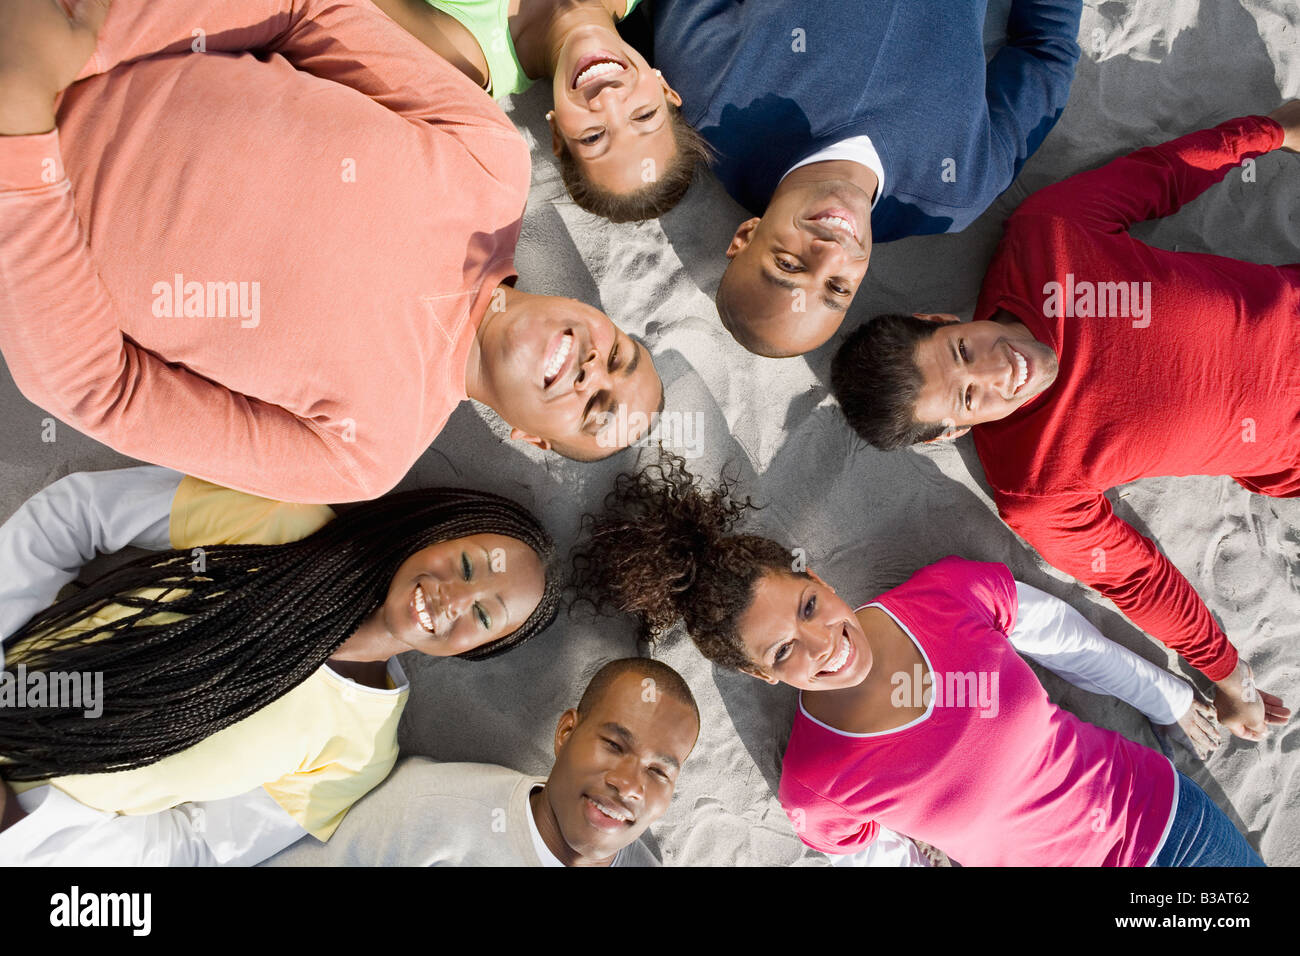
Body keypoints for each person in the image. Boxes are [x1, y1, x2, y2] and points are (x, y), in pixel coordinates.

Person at [0, 0, 663, 507]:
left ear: (530, 438)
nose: (591, 370)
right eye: (619, 356)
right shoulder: (492, 165)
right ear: (594, 312)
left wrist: (22, 144)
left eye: (594, 406)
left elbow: (103, 392)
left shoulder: (364, 459)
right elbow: (305, 11)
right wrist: (82, 50)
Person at [831, 104, 1300, 742]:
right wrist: (1228, 676)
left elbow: (1162, 176)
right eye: (969, 399)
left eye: (963, 352)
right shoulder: (1037, 490)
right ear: (953, 434)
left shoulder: (1046, 237)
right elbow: (1138, 577)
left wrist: (1272, 132)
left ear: (943, 321)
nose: (1002, 372)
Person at [572, 456, 1262, 866]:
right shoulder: (817, 784)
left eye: (810, 607)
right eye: (784, 650)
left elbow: (1063, 637)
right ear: (761, 675)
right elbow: (883, 860)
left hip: (1162, 827)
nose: (825, 647)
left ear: (821, 582)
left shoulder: (946, 594)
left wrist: (1161, 696)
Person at [0, 465, 561, 864]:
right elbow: (79, 514)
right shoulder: (284, 528)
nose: (453, 599)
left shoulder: (359, 753)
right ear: (436, 532)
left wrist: (22, 831)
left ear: (475, 650)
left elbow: (200, 847)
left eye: (485, 616)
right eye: (465, 564)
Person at [649, 0, 1081, 357]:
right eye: (837, 287)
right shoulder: (956, 192)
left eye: (789, 263)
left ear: (746, 235)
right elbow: (1045, 52)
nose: (831, 253)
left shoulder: (713, 102)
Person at [264, 657, 699, 866]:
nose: (628, 785)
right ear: (567, 733)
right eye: (615, 745)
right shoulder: (431, 813)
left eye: (659, 771)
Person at [369, 0, 711, 222]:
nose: (609, 99)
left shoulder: (468, 55)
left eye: (594, 137)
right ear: (664, 89)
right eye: (644, 116)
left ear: (558, 134)